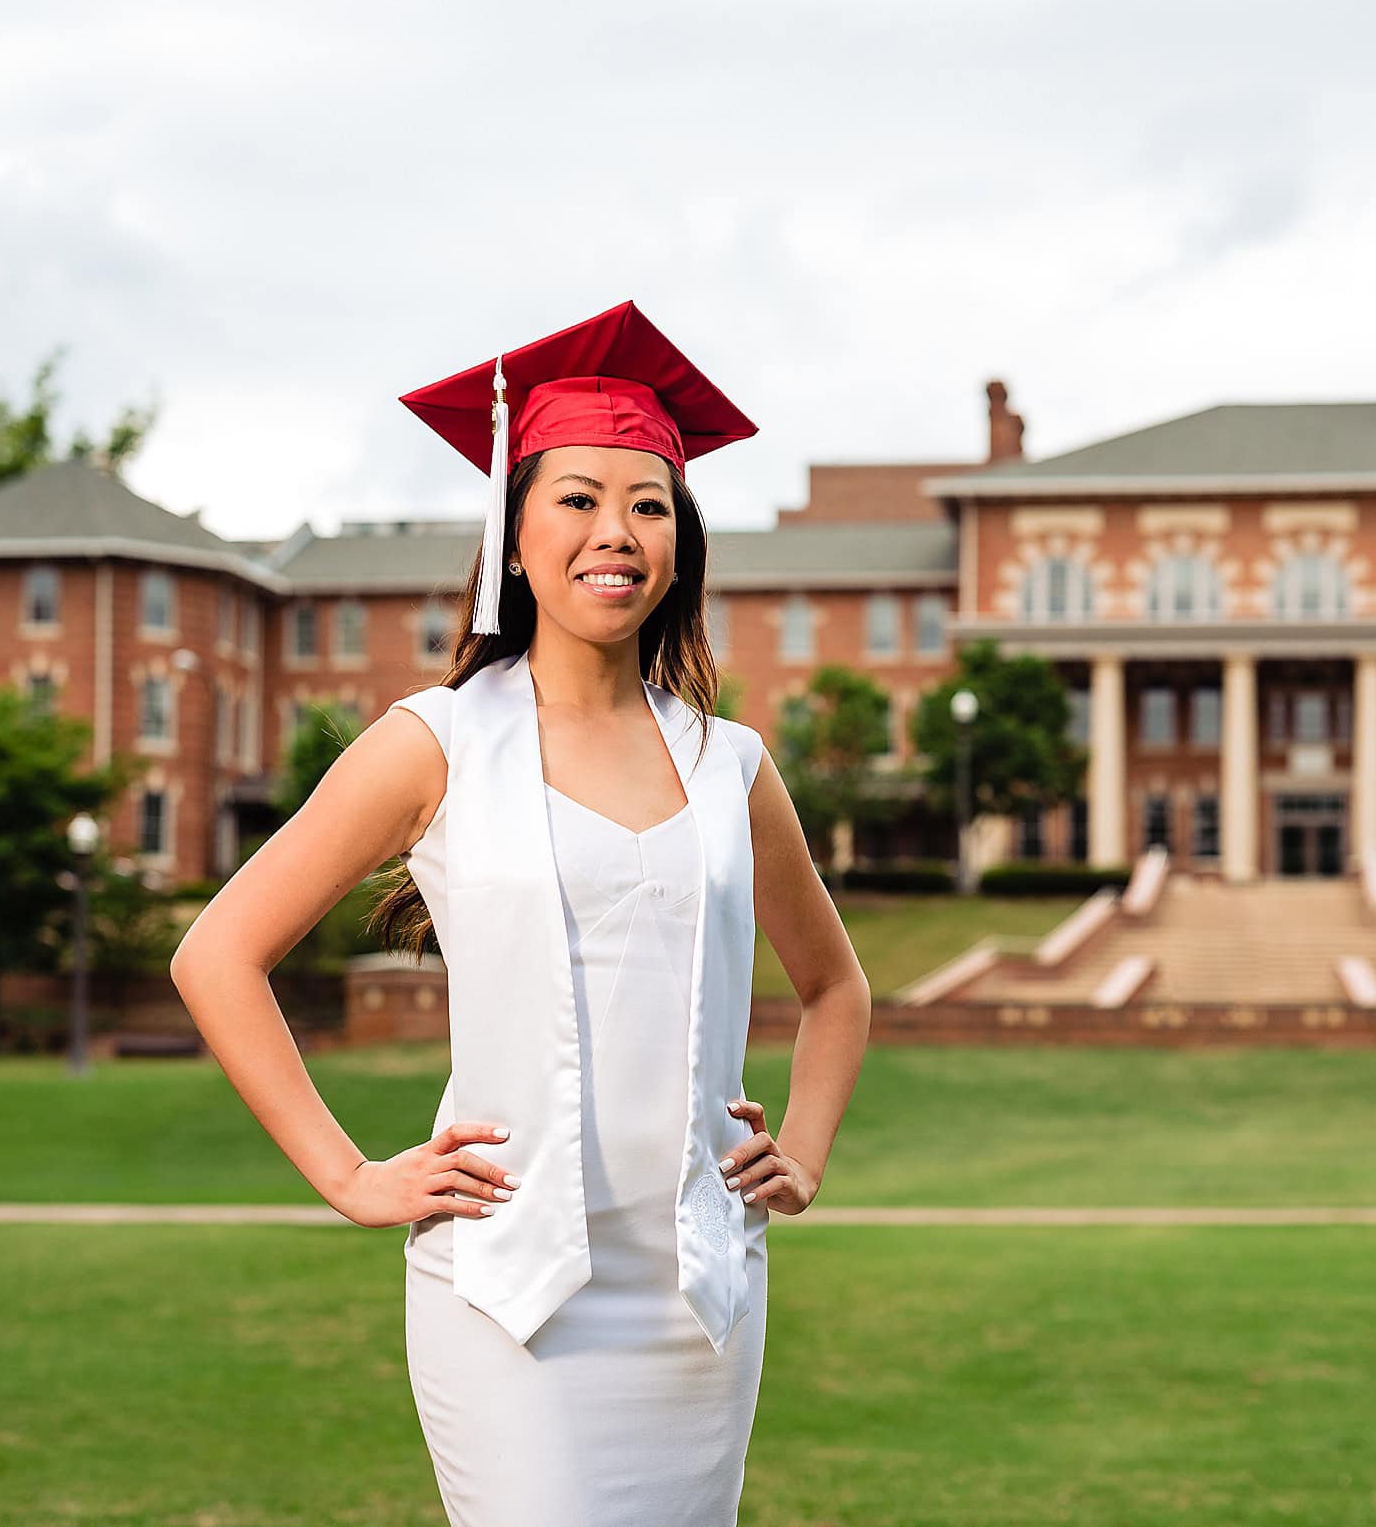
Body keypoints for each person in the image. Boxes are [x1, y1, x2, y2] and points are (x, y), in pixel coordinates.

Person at [171, 300, 873, 1526]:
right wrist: (346, 1174)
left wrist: (801, 1157)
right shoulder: (434, 745)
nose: (618, 533)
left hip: (700, 1297)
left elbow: (836, 988)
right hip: (509, 1296)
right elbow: (218, 952)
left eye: (649, 505)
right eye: (579, 499)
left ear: (682, 543)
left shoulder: (733, 765)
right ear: (515, 529)